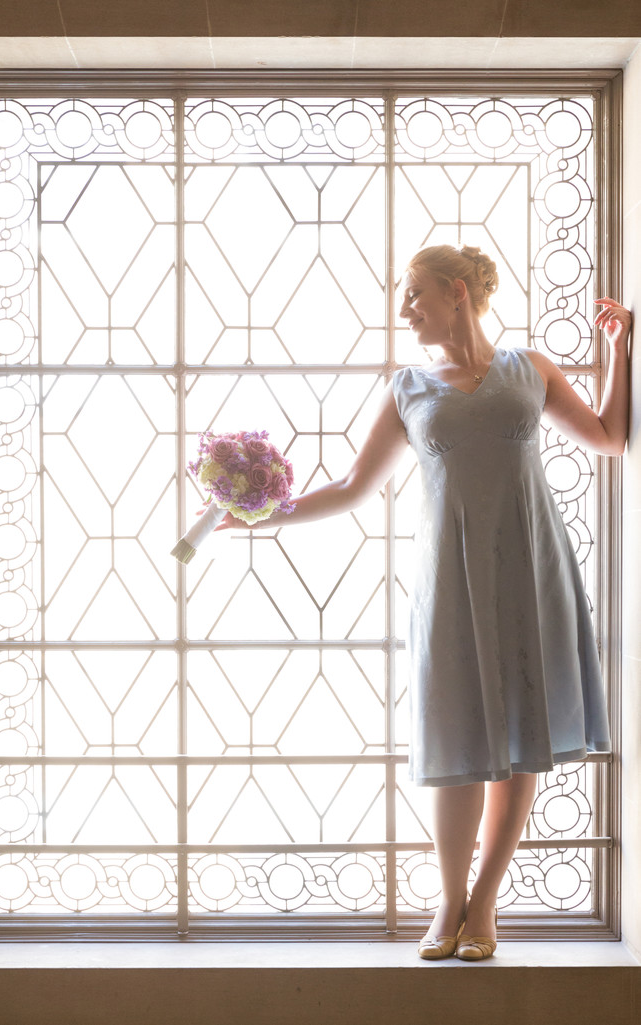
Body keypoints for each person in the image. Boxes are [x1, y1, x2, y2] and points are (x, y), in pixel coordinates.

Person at [214, 243, 631, 960]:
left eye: (414, 295)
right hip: (450, 580)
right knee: (459, 738)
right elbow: (350, 486)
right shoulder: (407, 386)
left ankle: (485, 904)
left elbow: (609, 437)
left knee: (522, 735)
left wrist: (623, 351)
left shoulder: (528, 368)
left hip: (531, 570)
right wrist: (263, 514)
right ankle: (447, 899)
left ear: (458, 293)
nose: (404, 310)